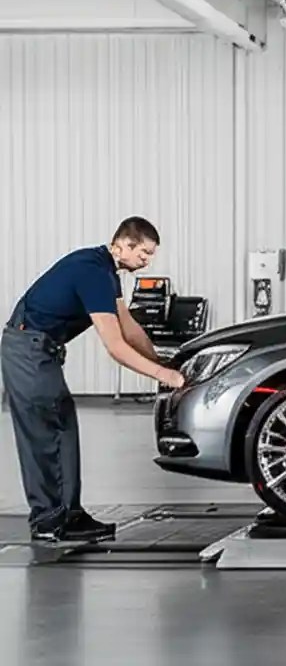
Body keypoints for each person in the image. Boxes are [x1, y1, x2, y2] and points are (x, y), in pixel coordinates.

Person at [2, 216, 185, 542]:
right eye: (143, 253)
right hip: (27, 350)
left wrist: (163, 360)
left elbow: (128, 327)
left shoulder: (104, 270)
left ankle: (69, 515)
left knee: (63, 428)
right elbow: (115, 345)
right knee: (46, 435)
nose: (146, 261)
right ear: (122, 245)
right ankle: (48, 522)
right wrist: (163, 375)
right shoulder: (94, 272)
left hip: (37, 349)